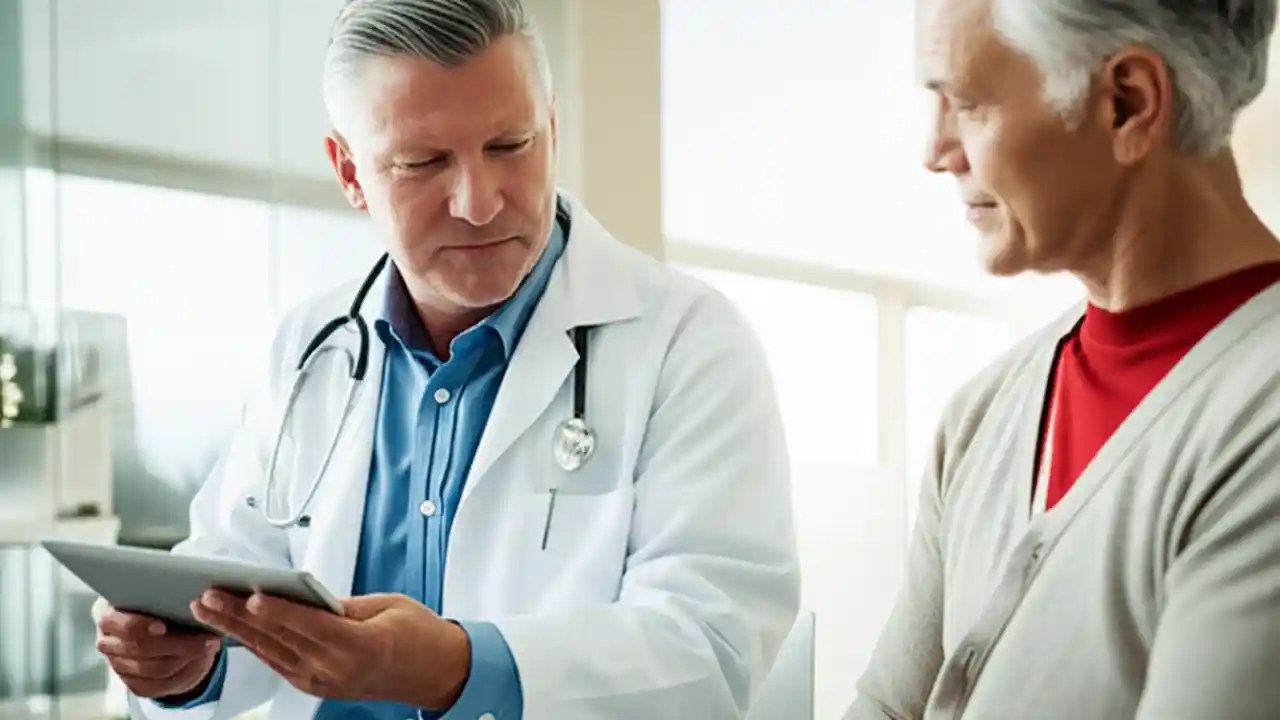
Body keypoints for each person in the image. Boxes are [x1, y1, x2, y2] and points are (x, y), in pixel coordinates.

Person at [92, 1, 800, 718]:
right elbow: (234, 582)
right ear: (348, 171)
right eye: (422, 163)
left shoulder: (688, 342)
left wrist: (456, 668)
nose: (479, 202)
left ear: (552, 128)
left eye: (511, 146)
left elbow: (712, 645)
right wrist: (179, 662)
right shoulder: (312, 346)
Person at [847, 0, 1280, 718]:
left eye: (967, 103)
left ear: (1126, 103)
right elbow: (889, 707)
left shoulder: (1259, 423)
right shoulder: (982, 416)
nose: (935, 150)